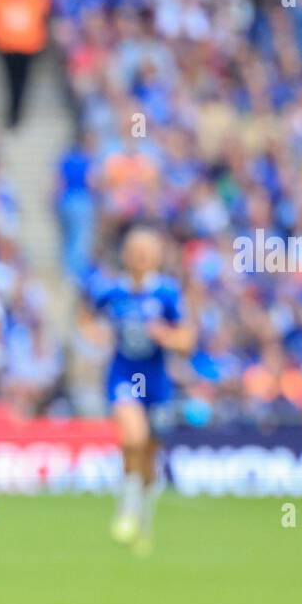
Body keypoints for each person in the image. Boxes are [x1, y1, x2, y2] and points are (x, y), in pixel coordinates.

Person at [88, 226, 194, 555]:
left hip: (156, 381)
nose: (140, 257)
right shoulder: (111, 291)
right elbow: (86, 319)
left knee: (149, 455)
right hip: (123, 374)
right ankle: (126, 510)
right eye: (134, 250)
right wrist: (94, 337)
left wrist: (167, 336)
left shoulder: (167, 294)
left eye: (146, 251)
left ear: (157, 257)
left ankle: (143, 519)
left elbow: (186, 340)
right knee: (132, 438)